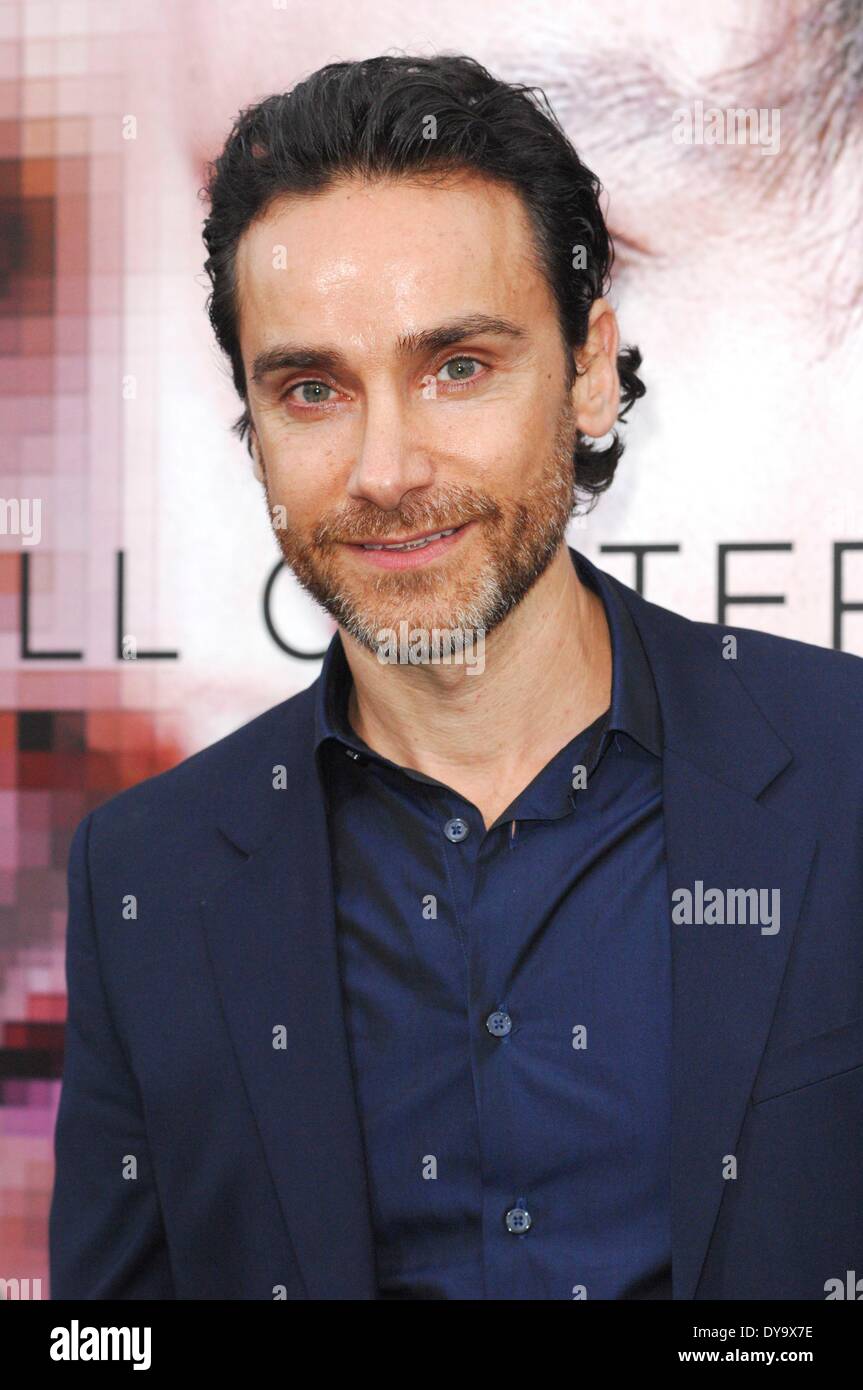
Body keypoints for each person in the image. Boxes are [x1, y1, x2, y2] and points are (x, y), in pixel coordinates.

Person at [49, 54, 863, 1301]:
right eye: (313, 389)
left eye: (458, 367)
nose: (385, 467)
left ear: (589, 366)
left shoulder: (841, 772)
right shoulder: (146, 874)